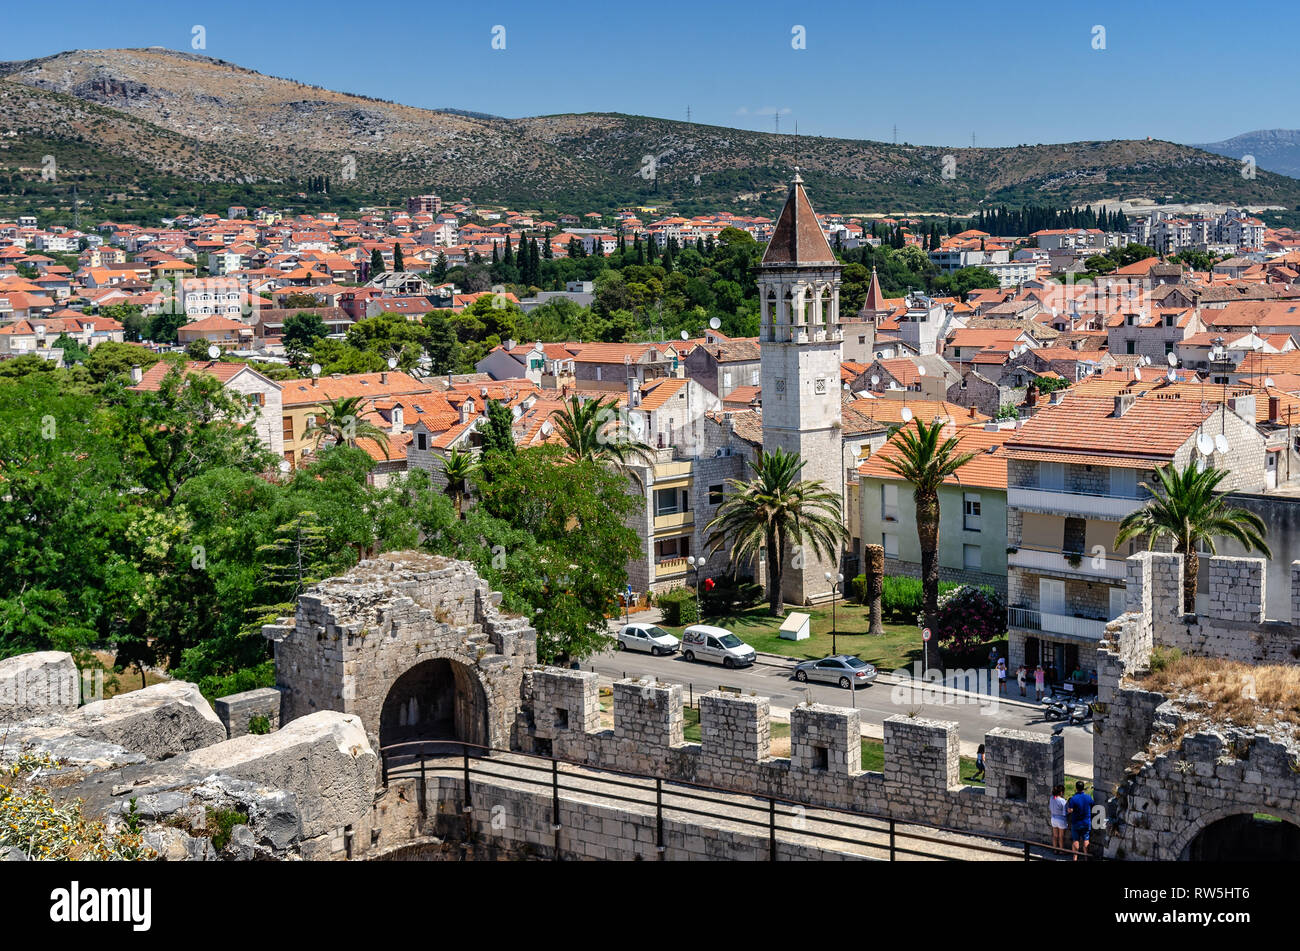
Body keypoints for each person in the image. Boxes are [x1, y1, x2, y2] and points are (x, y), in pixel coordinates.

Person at [1066, 780, 1095, 861]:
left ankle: (1075, 858)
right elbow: (1093, 804)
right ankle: (1086, 857)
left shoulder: (1073, 799)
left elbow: (1070, 810)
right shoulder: (1088, 797)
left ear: (1076, 788)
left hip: (1076, 822)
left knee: (1076, 840)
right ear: (1083, 788)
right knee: (1086, 839)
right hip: (1086, 822)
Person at [1049, 784, 1068, 853]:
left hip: (1053, 818)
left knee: (1055, 836)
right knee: (1061, 836)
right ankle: (1061, 850)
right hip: (1061, 819)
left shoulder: (1052, 798)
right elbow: (1065, 812)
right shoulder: (1062, 801)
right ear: (1061, 792)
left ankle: (1055, 849)